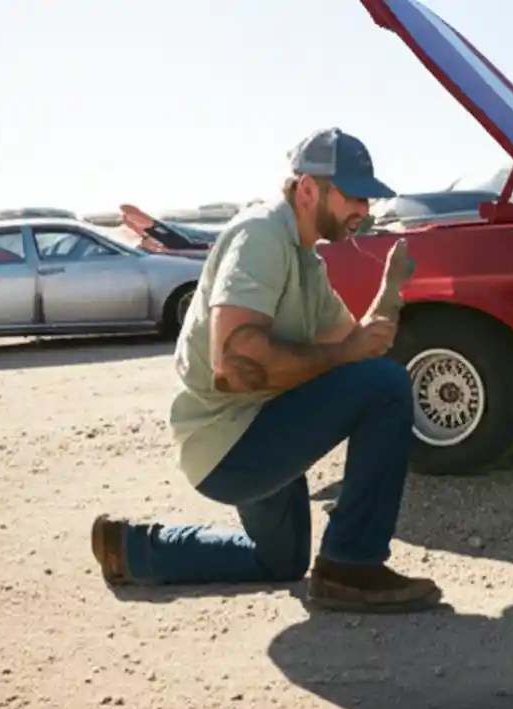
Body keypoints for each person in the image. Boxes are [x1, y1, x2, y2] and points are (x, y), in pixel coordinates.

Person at [90, 127, 442, 613]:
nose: (364, 210)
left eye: (369, 198)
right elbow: (233, 366)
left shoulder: (307, 264)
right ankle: (351, 567)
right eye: (354, 196)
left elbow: (360, 348)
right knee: (386, 388)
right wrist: (346, 354)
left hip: (256, 426)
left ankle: (131, 549)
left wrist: (390, 289)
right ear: (307, 189)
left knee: (281, 560)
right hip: (229, 443)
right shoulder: (261, 234)